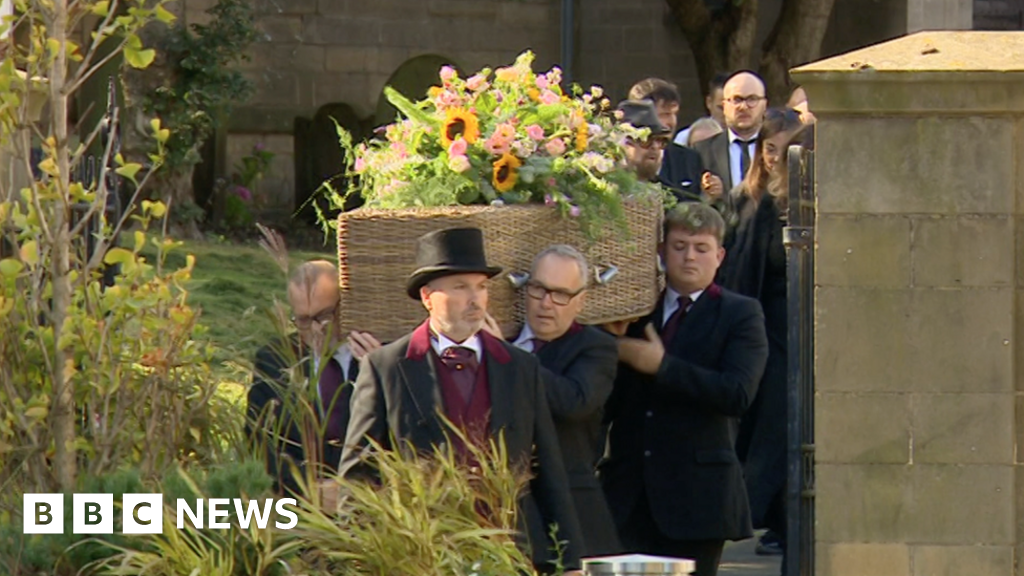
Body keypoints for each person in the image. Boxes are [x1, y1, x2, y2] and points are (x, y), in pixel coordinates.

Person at [340, 228, 585, 575]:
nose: (475, 299)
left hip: (511, 553)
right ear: (427, 297)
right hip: (423, 555)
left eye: (481, 287)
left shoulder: (519, 367)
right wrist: (358, 557)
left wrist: (571, 561)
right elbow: (359, 476)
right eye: (460, 287)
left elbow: (548, 470)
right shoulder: (386, 368)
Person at [600, 203, 769, 576]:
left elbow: (737, 393)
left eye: (701, 248)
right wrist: (607, 349)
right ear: (661, 252)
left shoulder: (740, 314)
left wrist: (662, 367)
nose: (689, 257)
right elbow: (606, 403)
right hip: (629, 496)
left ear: (719, 256)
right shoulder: (633, 312)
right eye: (679, 246)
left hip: (698, 499)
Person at [719, 108, 808, 564]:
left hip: (798, 329)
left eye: (785, 150)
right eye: (769, 149)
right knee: (768, 425)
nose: (775, 158)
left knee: (784, 427)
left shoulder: (806, 201)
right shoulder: (751, 200)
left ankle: (774, 518)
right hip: (765, 327)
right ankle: (757, 512)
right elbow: (740, 268)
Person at [500, 244, 620, 557]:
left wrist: (509, 358)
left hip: (570, 511)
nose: (546, 303)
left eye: (561, 294)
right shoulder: (501, 341)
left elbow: (574, 402)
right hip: (504, 510)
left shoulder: (595, 347)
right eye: (538, 289)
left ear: (581, 301)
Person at [247, 260, 382, 495]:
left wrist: (383, 373)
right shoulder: (273, 360)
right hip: (301, 501)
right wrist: (309, 489)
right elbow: (259, 443)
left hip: (373, 499)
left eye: (325, 315)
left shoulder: (382, 351)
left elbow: (406, 434)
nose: (316, 329)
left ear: (345, 305)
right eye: (303, 320)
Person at [692, 71, 768, 199]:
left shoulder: (778, 148)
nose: (743, 107)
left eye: (752, 99)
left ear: (764, 104)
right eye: (736, 100)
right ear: (724, 106)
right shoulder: (702, 151)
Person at [628, 78, 705, 201]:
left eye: (674, 114)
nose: (671, 122)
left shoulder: (689, 159)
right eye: (665, 114)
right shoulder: (613, 162)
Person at [674, 72, 729, 147]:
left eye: (730, 108)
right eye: (721, 108)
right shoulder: (684, 137)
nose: (726, 114)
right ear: (709, 102)